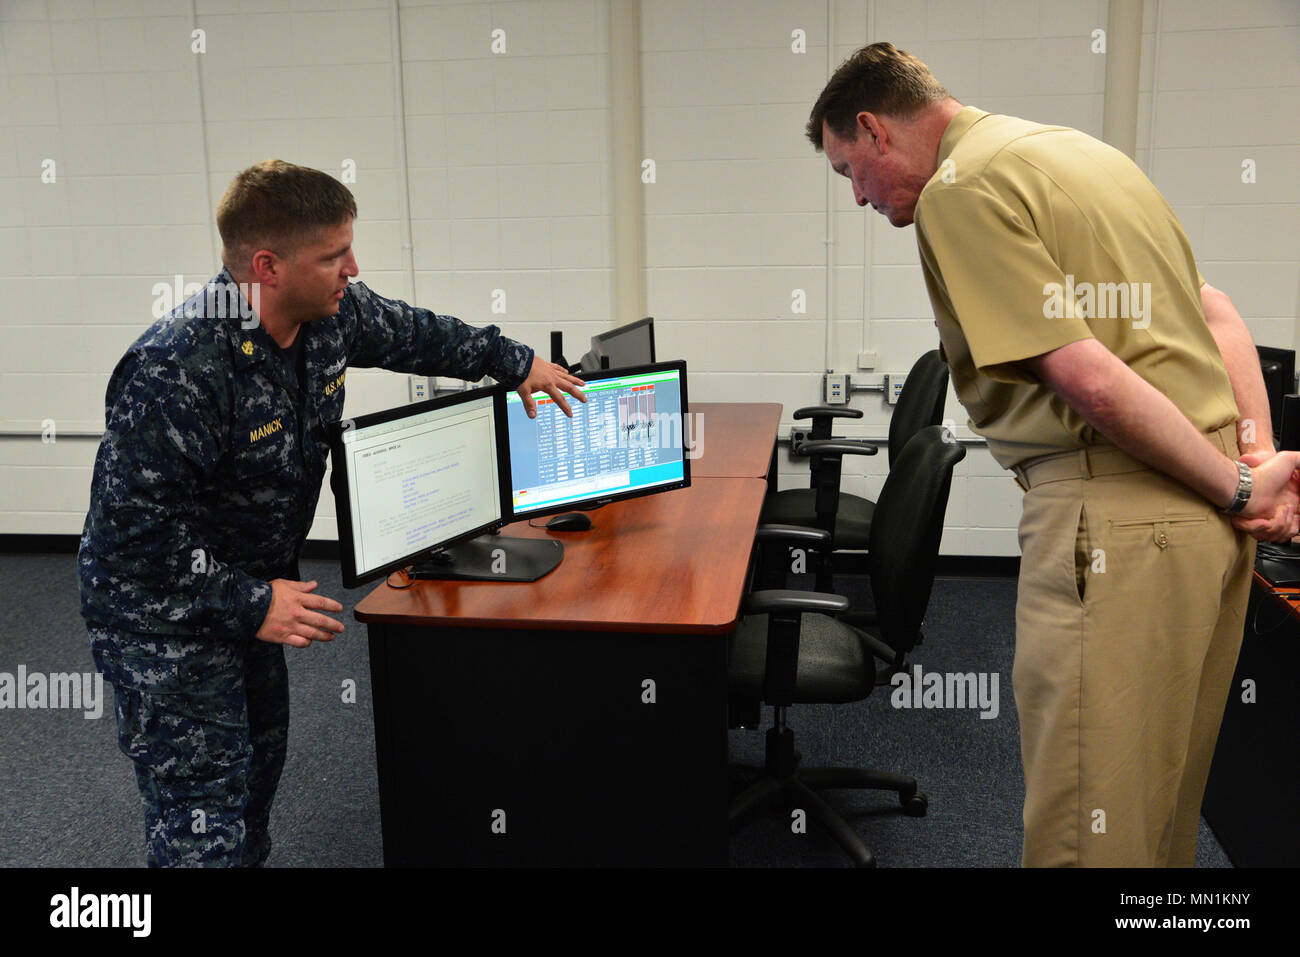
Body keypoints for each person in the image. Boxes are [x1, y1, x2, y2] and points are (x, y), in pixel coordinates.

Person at [806, 43, 1300, 867]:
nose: (857, 195)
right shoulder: (1085, 157)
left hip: (1118, 521)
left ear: (874, 128)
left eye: (847, 169)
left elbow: (1089, 381)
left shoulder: (958, 195)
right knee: (1163, 809)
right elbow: (1215, 310)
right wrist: (1255, 455)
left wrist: (1243, 481)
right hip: (1207, 535)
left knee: (1090, 830)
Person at [78, 159, 586, 866]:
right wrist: (251, 600)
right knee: (201, 820)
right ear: (268, 266)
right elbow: (135, 540)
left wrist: (516, 360)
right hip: (162, 619)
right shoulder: (178, 368)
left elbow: (419, 333)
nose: (354, 267)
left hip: (254, 590)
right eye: (333, 255)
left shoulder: (332, 314)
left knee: (253, 784)